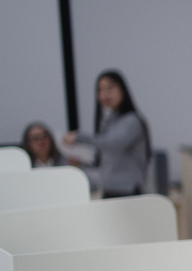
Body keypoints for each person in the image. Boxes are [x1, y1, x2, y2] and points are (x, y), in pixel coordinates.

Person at [63, 70, 151, 198]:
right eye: (100, 90)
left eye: (110, 88)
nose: (105, 94)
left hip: (128, 189)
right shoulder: (109, 121)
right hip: (109, 187)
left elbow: (114, 143)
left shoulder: (132, 120)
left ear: (123, 89)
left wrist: (79, 136)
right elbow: (105, 158)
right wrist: (81, 163)